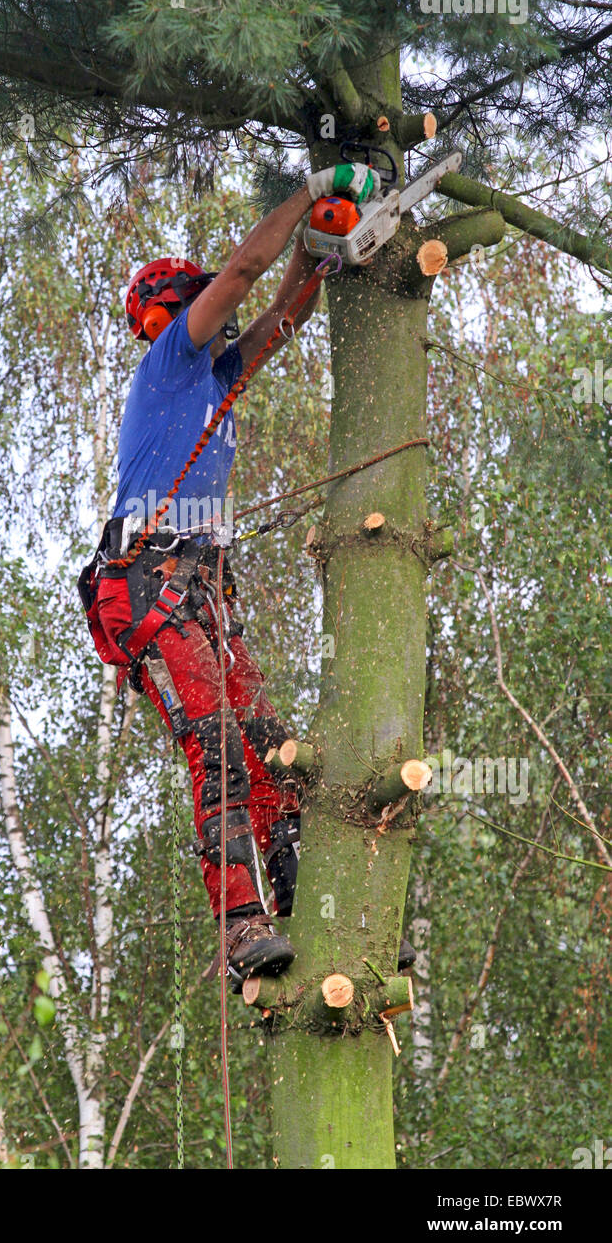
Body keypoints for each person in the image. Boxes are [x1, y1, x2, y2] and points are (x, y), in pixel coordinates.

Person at [79, 162, 408, 989]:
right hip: (148, 585)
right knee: (219, 747)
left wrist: (319, 256)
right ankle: (239, 926)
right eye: (203, 310)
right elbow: (243, 275)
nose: (222, 325)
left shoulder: (219, 378)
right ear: (173, 313)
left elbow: (279, 314)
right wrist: (311, 188)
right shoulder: (168, 360)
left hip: (200, 590)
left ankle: (316, 895)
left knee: (280, 751)